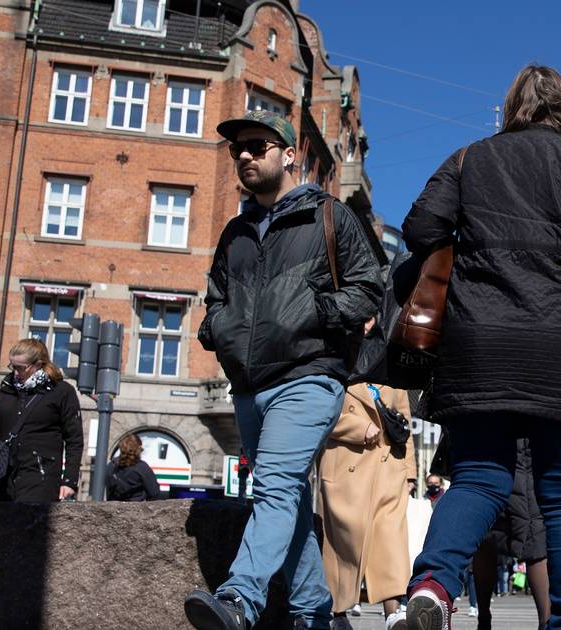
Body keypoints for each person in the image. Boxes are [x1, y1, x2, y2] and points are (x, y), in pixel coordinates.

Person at [402, 64, 561, 630]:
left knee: (480, 478)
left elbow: (418, 230)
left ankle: (434, 584)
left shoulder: (469, 158)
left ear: (512, 106)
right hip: (558, 349)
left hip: (477, 345)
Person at [185, 109, 383, 630]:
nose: (245, 156)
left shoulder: (330, 217)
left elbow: (368, 290)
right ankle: (316, 614)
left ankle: (238, 599)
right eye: (237, 150)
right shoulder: (236, 230)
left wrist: (313, 312)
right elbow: (217, 296)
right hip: (249, 385)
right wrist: (219, 331)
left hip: (310, 375)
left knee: (273, 487)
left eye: (257, 146)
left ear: (289, 155)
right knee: (287, 500)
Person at [318, 380, 416, 630]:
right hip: (346, 466)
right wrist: (357, 427)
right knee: (343, 544)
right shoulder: (337, 363)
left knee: (389, 538)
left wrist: (410, 473)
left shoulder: (393, 371)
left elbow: (404, 421)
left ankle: (393, 613)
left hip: (389, 466)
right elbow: (319, 410)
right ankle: (337, 611)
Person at [0, 338, 83, 503]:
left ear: (38, 365)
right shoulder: (7, 388)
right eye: (12, 366)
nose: (15, 372)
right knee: (3, 526)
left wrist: (69, 480)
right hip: (6, 474)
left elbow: (74, 439)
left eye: (20, 368)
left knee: (30, 524)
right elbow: (0, 429)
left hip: (41, 473)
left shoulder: (61, 392)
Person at [471, 440, 550, 630]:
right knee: (533, 537)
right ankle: (546, 622)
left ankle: (483, 618)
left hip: (478, 445)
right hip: (519, 453)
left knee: (484, 535)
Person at [105, 433, 163, 501]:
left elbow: (109, 492)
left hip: (114, 508)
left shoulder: (111, 466)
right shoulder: (142, 467)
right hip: (137, 508)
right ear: (137, 449)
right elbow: (154, 494)